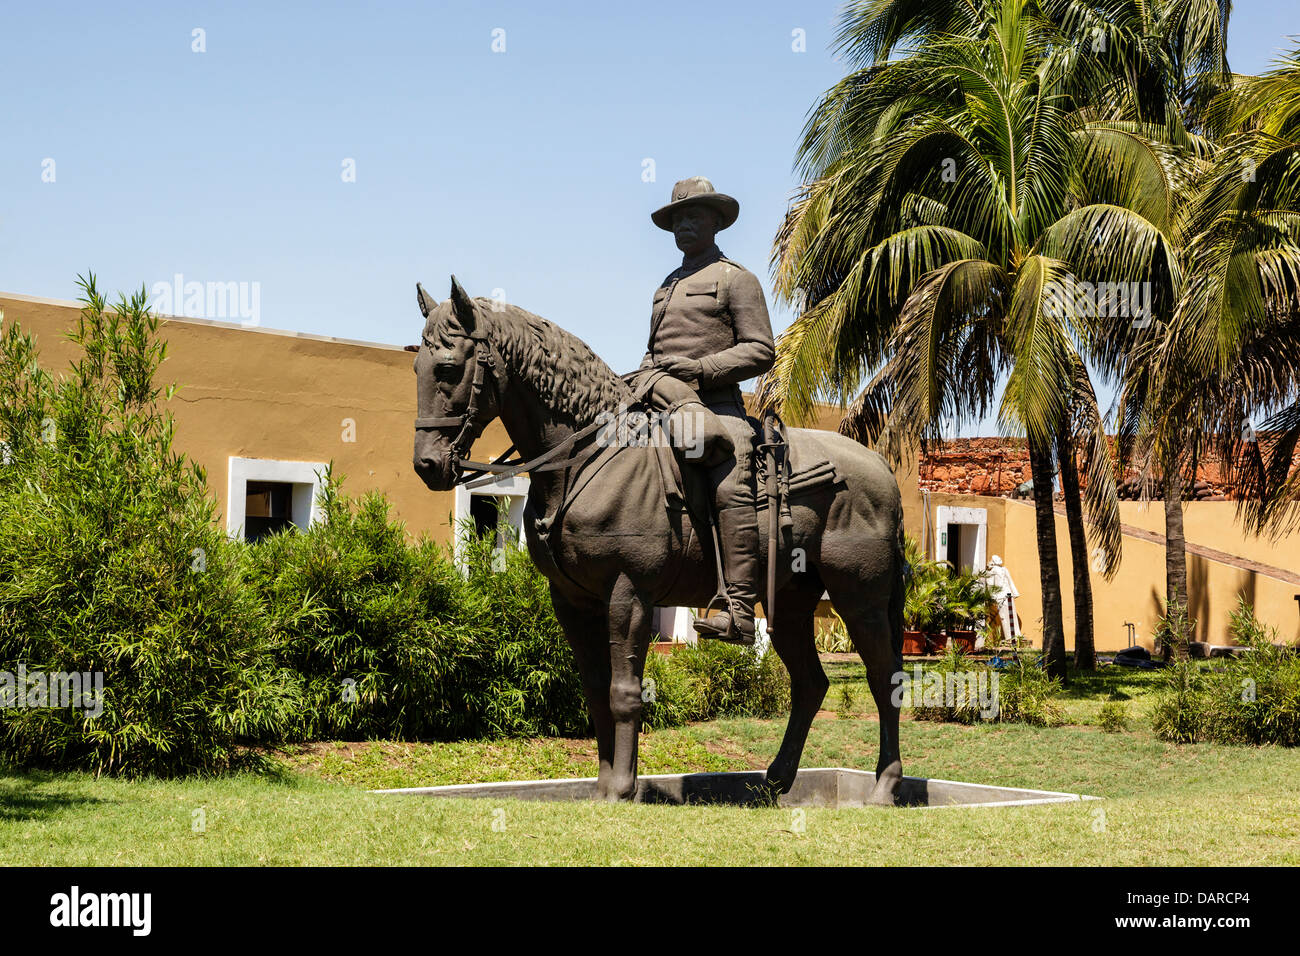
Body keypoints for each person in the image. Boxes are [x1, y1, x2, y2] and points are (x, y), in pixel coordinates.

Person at [634, 176, 775, 644]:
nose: (684, 226)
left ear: (716, 221)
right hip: (659, 398)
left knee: (728, 472)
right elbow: (653, 351)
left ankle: (738, 610)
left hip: (717, 406)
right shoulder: (666, 286)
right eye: (677, 219)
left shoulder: (737, 279)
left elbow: (760, 351)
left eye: (694, 216)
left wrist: (699, 369)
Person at [982, 555, 1020, 647]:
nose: (999, 560)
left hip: (1006, 595)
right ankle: (1010, 637)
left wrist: (1015, 592)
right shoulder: (996, 571)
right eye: (997, 559)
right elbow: (991, 584)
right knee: (1006, 617)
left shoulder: (1002, 570)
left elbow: (1009, 581)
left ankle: (1014, 637)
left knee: (1010, 616)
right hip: (1002, 596)